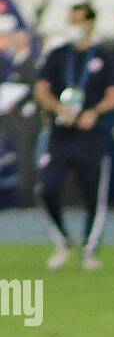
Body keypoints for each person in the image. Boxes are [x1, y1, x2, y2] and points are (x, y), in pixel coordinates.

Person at [35, 3, 114, 271]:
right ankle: (62, 239)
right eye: (70, 21)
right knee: (47, 188)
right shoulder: (58, 54)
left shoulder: (104, 56)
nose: (73, 26)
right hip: (61, 134)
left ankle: (90, 249)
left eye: (78, 21)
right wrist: (58, 108)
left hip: (91, 137)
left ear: (90, 23)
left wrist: (94, 112)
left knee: (93, 194)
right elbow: (41, 88)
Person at [0, 29, 40, 206]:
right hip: (11, 119)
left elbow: (35, 89)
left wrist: (15, 104)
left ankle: (27, 200)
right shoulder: (13, 63)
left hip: (25, 121)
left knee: (25, 160)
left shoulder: (30, 63)